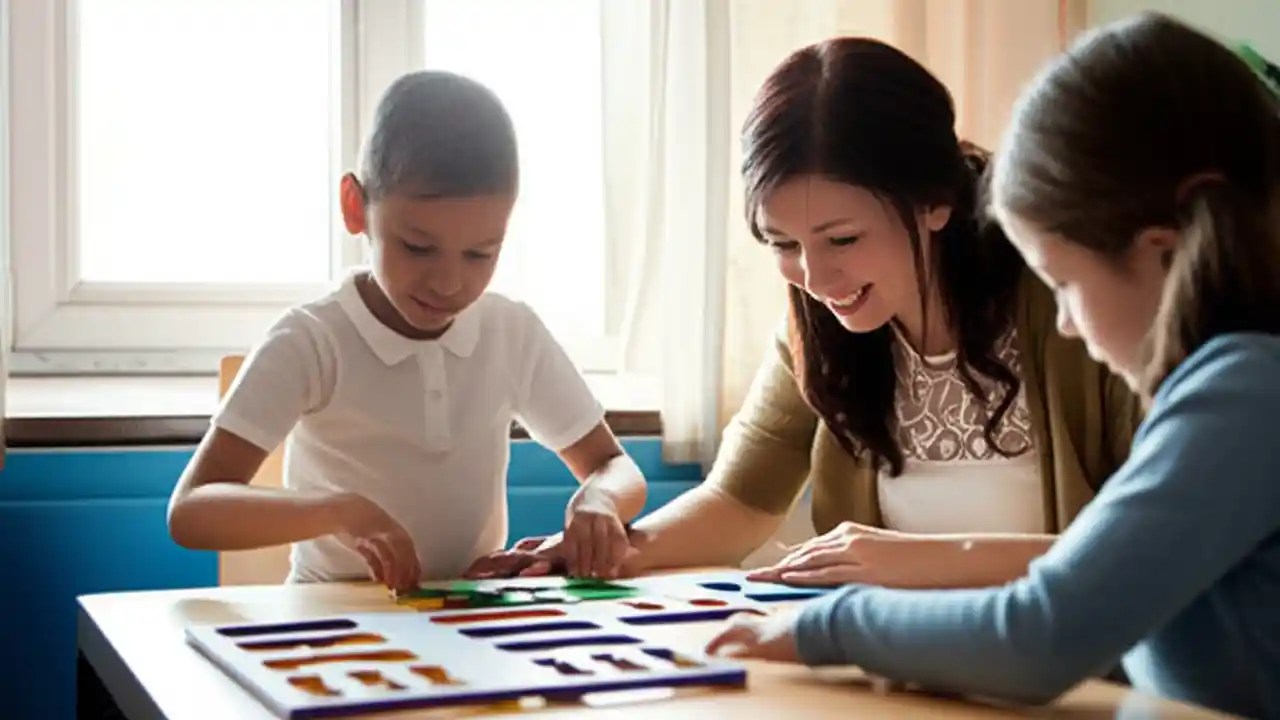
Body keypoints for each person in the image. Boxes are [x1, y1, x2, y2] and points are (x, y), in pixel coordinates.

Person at [705, 14, 1280, 719]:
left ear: (1162, 250)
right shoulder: (1237, 386)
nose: (1064, 319)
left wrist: (823, 626)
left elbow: (1042, 633)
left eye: (1064, 283)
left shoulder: (1245, 393)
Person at [576, 36, 1140, 589]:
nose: (816, 280)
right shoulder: (821, 317)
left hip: (1077, 670)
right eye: (784, 244)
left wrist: (921, 561)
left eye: (842, 239)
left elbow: (1153, 543)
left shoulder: (1073, 302)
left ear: (934, 202)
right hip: (896, 663)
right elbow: (739, 500)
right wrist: (613, 552)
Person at [166, 71, 646, 591]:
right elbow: (192, 511)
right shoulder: (311, 340)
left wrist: (599, 499)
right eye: (417, 247)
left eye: (480, 254)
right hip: (333, 616)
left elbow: (614, 465)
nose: (448, 283)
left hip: (465, 620)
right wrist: (339, 509)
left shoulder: (511, 332)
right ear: (357, 208)